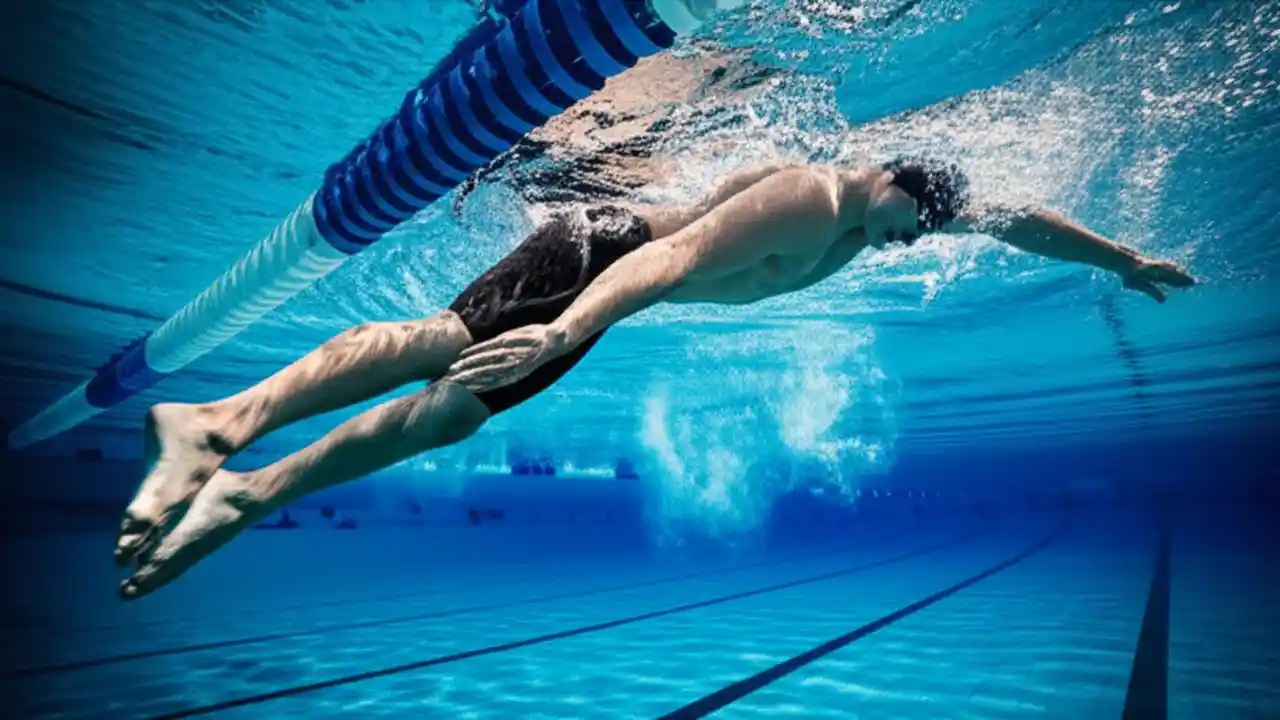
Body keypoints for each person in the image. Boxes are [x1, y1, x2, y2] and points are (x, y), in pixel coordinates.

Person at [113, 156, 1193, 599]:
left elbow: (1017, 223)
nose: (918, 243)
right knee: (442, 344)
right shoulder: (818, 201)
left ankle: (256, 487)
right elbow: (664, 259)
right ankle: (215, 420)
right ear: (894, 183)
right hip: (597, 252)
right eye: (919, 225)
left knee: (443, 421)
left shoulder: (881, 220)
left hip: (604, 291)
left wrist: (1124, 260)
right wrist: (562, 329)